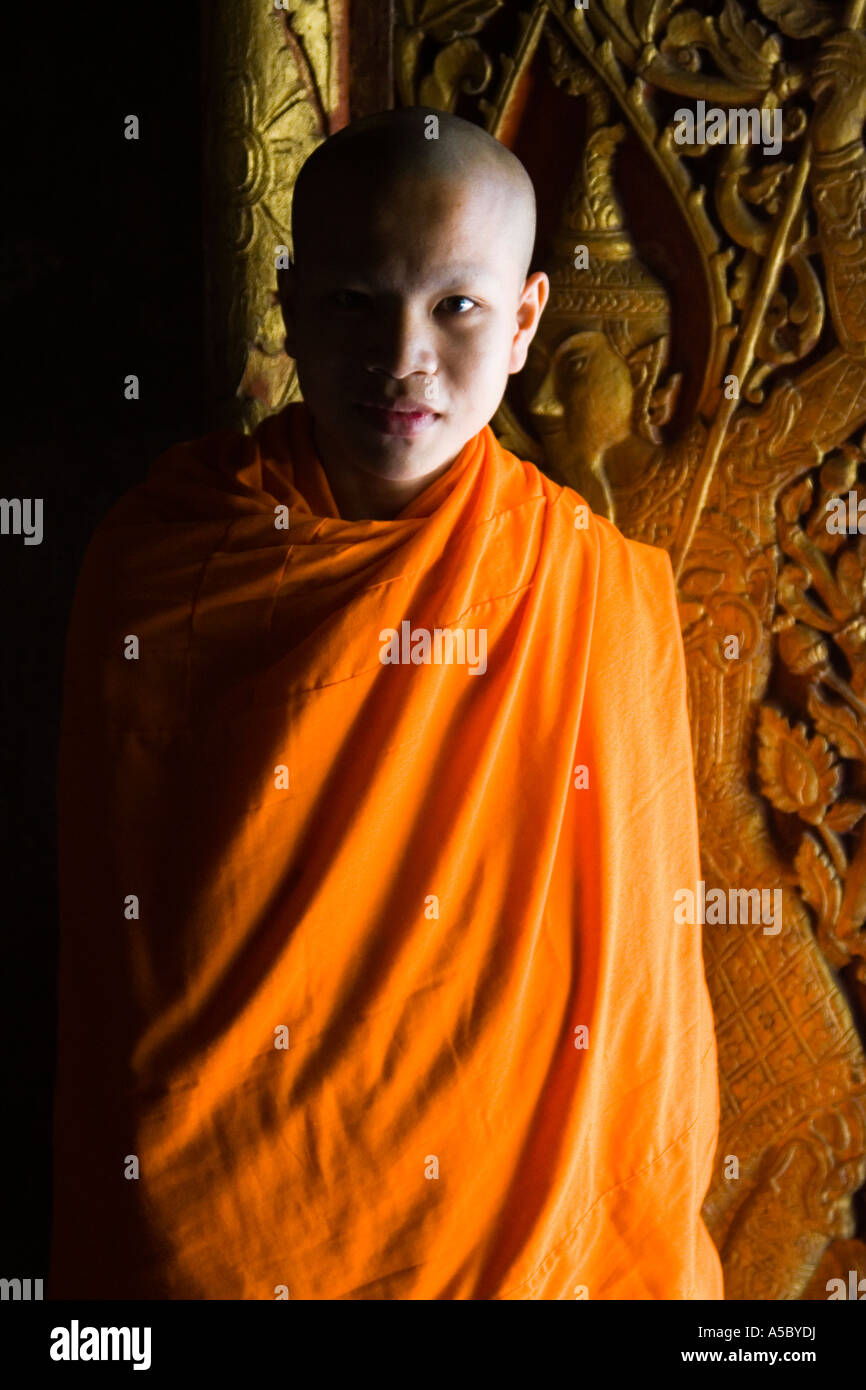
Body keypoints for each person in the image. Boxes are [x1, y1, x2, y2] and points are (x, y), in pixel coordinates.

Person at [48, 106, 724, 1300]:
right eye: (355, 303)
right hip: (229, 1206)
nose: (401, 355)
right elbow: (135, 942)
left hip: (506, 1213)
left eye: (453, 307)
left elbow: (632, 1010)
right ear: (292, 302)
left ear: (523, 322)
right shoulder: (169, 558)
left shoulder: (590, 589)